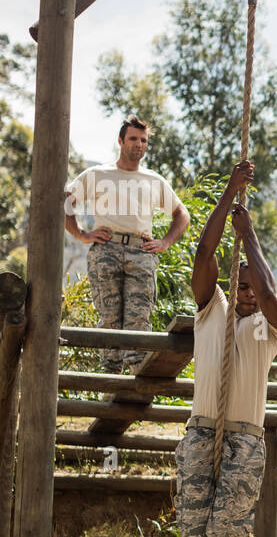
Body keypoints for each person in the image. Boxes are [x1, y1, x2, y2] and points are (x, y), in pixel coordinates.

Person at [175, 160, 277, 537]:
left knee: (225, 534)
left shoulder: (267, 329)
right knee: (193, 536)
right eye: (238, 281)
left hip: (244, 438)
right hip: (201, 433)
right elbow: (203, 253)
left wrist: (252, 238)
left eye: (250, 284)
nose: (245, 290)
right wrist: (228, 198)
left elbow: (271, 298)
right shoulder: (211, 311)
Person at [64, 115, 190, 374]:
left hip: (141, 252)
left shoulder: (154, 180)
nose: (139, 144)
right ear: (120, 141)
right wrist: (81, 234)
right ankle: (111, 384)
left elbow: (182, 214)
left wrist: (165, 242)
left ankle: (133, 388)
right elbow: (65, 202)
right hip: (106, 251)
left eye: (143, 140)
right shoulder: (97, 174)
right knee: (109, 320)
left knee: (138, 322)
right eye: (133, 139)